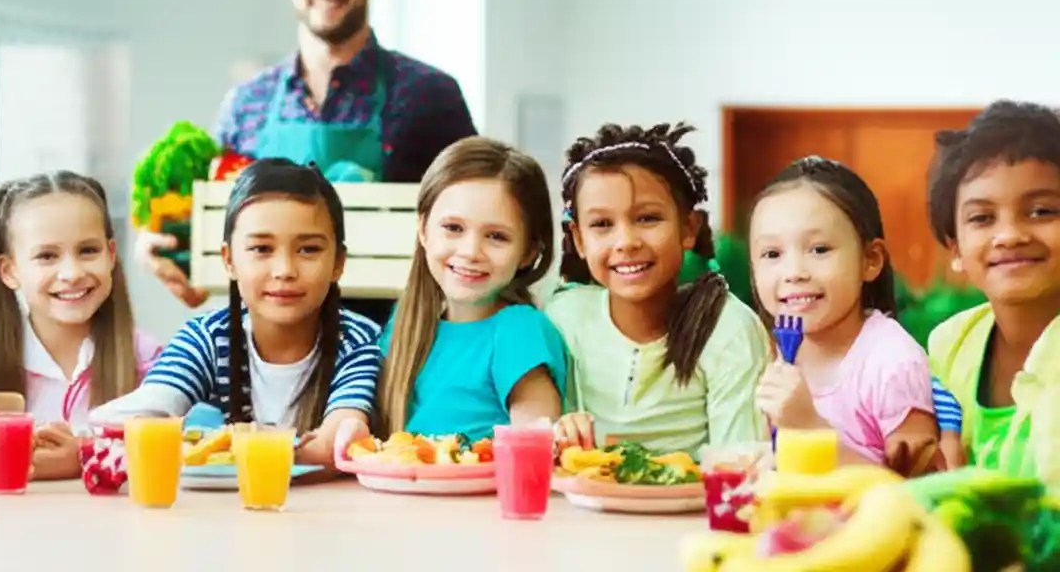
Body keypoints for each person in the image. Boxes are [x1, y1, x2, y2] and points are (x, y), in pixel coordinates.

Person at [137, 0, 477, 314]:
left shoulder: (429, 95)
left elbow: (476, 213)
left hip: (394, 346)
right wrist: (167, 249)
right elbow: (215, 226)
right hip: (265, 354)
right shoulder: (247, 104)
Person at [90, 159, 383, 468]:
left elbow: (336, 444)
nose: (284, 270)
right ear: (229, 260)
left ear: (338, 262)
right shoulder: (206, 338)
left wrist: (218, 451)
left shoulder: (359, 343)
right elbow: (139, 414)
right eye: (261, 249)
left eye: (308, 249)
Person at [548, 123, 770, 457]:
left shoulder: (729, 329)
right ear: (579, 239)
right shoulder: (562, 319)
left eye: (648, 218)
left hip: (691, 507)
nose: (626, 242)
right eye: (602, 225)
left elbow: (740, 470)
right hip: (578, 506)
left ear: (688, 228)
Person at [336, 137, 566, 449]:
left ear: (528, 252)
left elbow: (535, 444)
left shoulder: (518, 329)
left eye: (496, 236)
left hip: (483, 497)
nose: (470, 251)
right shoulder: (404, 324)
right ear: (423, 230)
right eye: (453, 228)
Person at [0, 171, 161, 479]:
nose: (72, 272)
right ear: (9, 271)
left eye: (88, 251)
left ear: (111, 255)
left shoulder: (149, 362)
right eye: (47, 256)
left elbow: (179, 452)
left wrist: (85, 456)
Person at [749, 156, 946, 476]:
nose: (794, 272)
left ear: (870, 260)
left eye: (819, 249)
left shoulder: (892, 362)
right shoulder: (770, 355)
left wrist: (810, 428)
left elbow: (917, 492)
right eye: (772, 254)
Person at [927, 100, 1060, 485]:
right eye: (982, 218)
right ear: (955, 248)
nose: (1010, 235)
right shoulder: (950, 346)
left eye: (1041, 211)